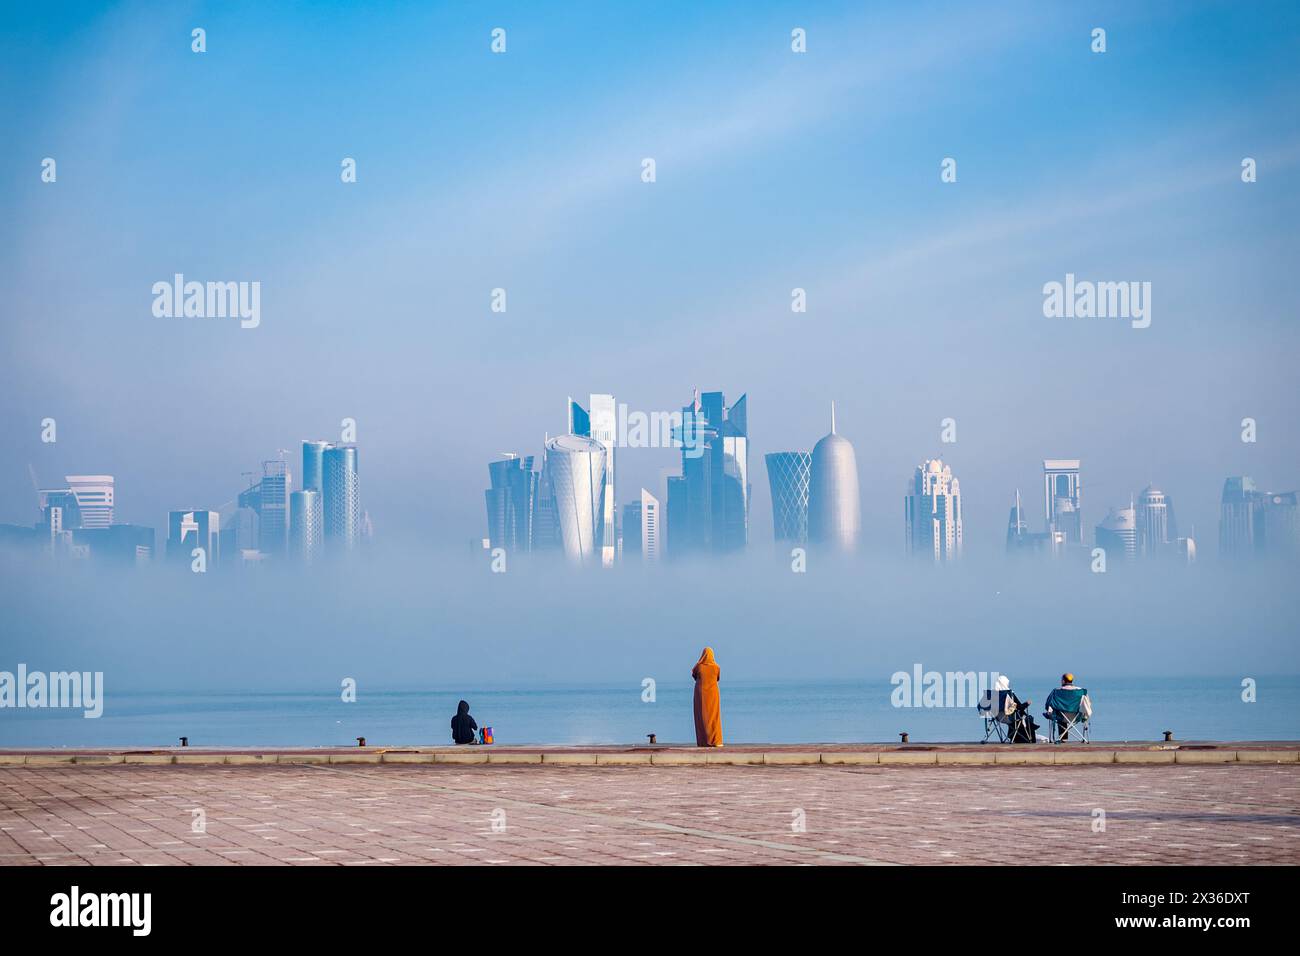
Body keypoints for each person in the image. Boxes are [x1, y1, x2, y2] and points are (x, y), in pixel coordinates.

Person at [691, 647, 723, 747]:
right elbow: (717, 678)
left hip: (701, 694)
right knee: (714, 716)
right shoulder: (716, 667)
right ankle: (715, 741)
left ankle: (703, 741)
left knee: (702, 717)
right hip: (713, 694)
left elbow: (694, 675)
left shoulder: (699, 667)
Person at [1044, 673, 1082, 741]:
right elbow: (1086, 704)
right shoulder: (1081, 691)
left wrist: (1048, 712)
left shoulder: (1056, 691)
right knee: (1061, 712)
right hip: (1076, 715)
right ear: (1072, 681)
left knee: (1059, 712)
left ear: (1063, 681)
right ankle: (1065, 738)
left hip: (1061, 716)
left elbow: (1049, 704)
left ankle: (1063, 738)